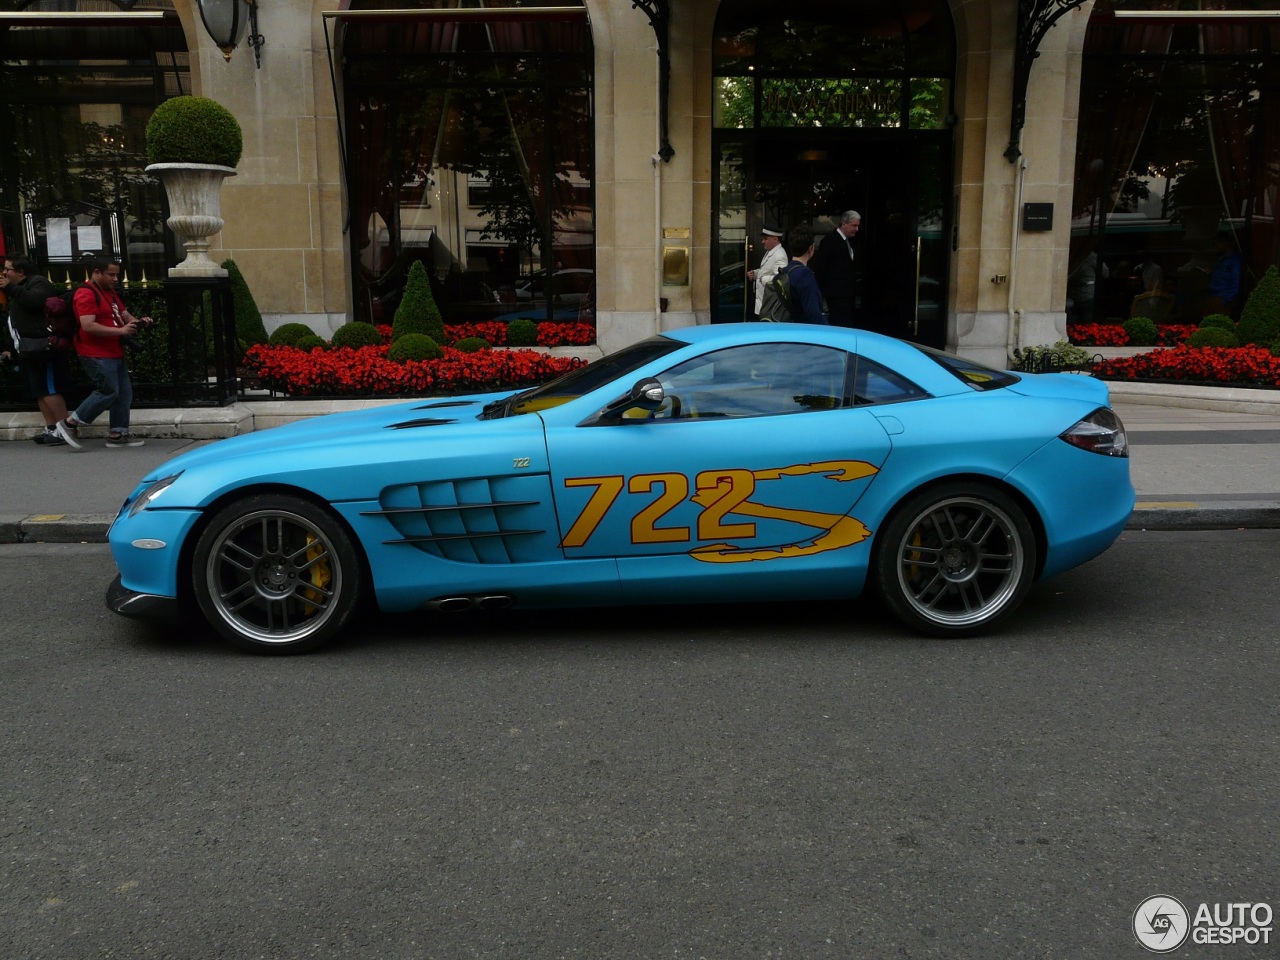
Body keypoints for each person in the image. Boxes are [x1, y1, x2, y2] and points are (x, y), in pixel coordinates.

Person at [56, 258, 152, 450]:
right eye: (111, 274)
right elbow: (88, 325)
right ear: (97, 272)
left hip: (113, 350)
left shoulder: (109, 292)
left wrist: (139, 322)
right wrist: (120, 331)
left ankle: (117, 434)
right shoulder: (85, 293)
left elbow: (124, 316)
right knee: (108, 391)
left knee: (123, 394)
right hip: (95, 352)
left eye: (117, 275)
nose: (116, 279)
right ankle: (69, 423)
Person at [0, 255, 79, 447]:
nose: (4, 273)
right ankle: (52, 428)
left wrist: (10, 288)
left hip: (44, 348)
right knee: (40, 390)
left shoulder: (39, 283)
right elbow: (15, 321)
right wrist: (10, 347)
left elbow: (35, 301)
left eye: (8, 269)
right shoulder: (17, 289)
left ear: (21, 271)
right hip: (27, 348)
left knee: (50, 389)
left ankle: (66, 429)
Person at [808, 210, 860, 327]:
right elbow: (820, 267)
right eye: (854, 225)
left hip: (847, 295)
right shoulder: (830, 241)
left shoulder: (849, 241)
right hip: (835, 296)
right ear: (844, 224)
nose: (856, 229)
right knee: (839, 326)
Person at [778, 224, 828, 324]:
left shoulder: (785, 271)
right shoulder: (804, 275)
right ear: (811, 248)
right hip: (803, 329)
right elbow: (813, 314)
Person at [746, 225, 788, 318]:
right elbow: (767, 270)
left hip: (770, 305)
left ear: (775, 239)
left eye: (765, 239)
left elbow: (782, 279)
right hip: (764, 303)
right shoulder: (771, 251)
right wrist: (755, 273)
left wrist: (763, 279)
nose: (762, 241)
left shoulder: (780, 255)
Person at [1207, 232, 1242, 315]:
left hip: (1223, 298)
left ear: (1225, 243)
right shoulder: (1221, 260)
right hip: (1214, 297)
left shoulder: (1234, 261)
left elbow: (1236, 283)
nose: (1216, 247)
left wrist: (1225, 301)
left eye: (1217, 244)